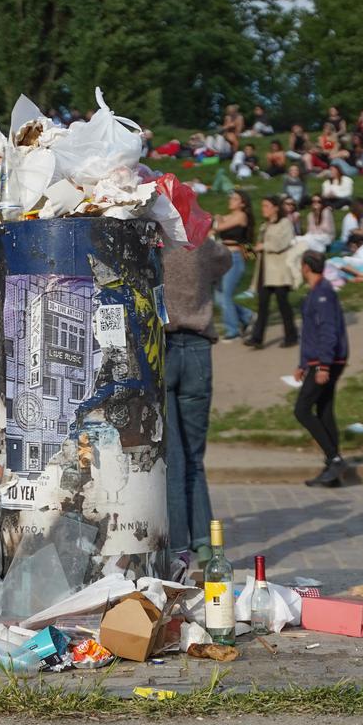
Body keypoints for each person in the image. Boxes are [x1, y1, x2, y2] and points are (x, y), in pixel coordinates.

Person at [162, 233, 231, 564]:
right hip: (199, 348)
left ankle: (177, 545)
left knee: (172, 458)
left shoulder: (150, 238)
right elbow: (225, 260)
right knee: (194, 456)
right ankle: (204, 542)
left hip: (162, 348)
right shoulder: (201, 242)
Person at [292, 251, 350, 488]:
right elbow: (311, 335)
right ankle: (332, 471)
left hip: (327, 362)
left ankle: (334, 458)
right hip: (319, 361)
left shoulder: (323, 293)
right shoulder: (317, 292)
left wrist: (323, 365)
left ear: (306, 267)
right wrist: (303, 364)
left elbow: (328, 332)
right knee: (324, 410)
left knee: (302, 409)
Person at [245, 195, 298, 349]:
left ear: (276, 207)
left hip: (279, 271)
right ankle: (257, 338)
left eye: (267, 206)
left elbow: (283, 243)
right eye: (262, 206)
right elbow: (260, 245)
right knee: (262, 305)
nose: (264, 209)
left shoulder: (285, 223)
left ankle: (291, 336)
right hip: (264, 271)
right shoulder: (264, 225)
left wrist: (264, 246)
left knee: (283, 304)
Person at [212, 191, 255, 342]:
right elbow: (213, 227)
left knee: (226, 295)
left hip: (234, 259)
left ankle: (233, 330)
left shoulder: (241, 216)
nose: (231, 200)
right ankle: (247, 315)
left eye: (235, 198)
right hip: (222, 258)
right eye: (231, 197)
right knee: (218, 297)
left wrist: (216, 221)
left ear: (242, 203)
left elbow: (218, 227)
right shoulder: (227, 216)